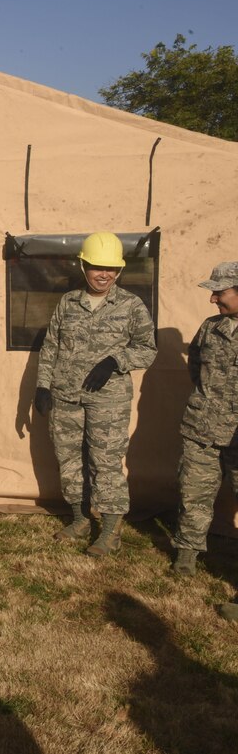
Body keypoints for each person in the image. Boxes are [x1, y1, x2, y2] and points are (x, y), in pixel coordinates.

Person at [32, 232, 156, 556]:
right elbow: (50, 347)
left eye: (111, 269)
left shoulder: (131, 305)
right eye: (98, 267)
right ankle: (80, 519)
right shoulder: (67, 302)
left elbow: (148, 349)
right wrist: (43, 385)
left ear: (120, 271)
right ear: (83, 265)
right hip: (66, 395)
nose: (104, 275)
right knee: (69, 459)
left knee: (106, 463)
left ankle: (111, 532)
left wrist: (117, 360)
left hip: (109, 401)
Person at [169, 262, 238, 620]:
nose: (212, 298)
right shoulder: (210, 329)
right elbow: (195, 367)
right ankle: (187, 552)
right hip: (203, 427)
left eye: (220, 292)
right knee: (193, 490)